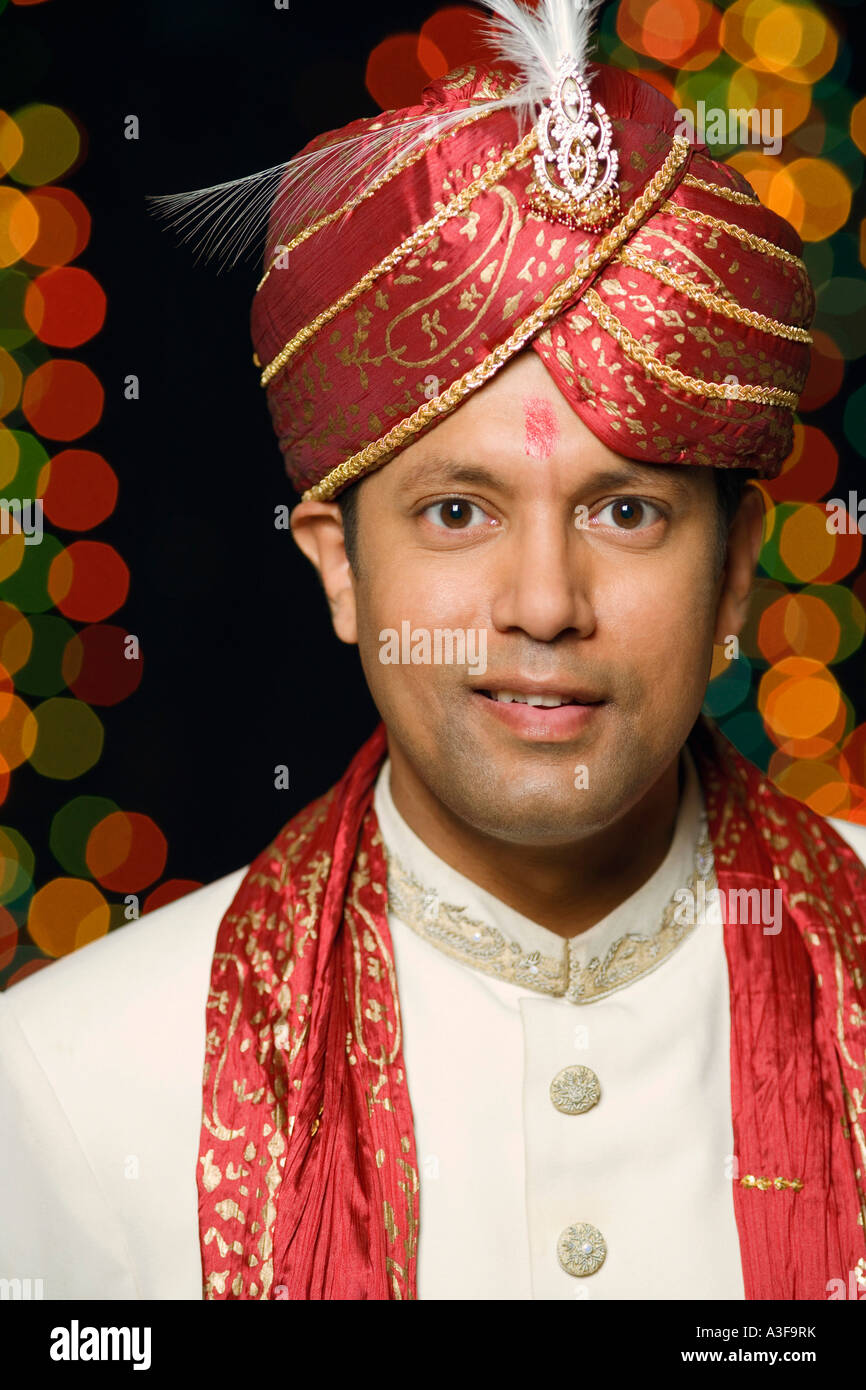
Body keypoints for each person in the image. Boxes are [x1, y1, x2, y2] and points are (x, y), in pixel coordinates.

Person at [2, 0, 865, 1302]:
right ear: (340, 563)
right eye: (456, 512)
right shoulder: (71, 1082)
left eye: (623, 510)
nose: (539, 603)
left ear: (735, 565)